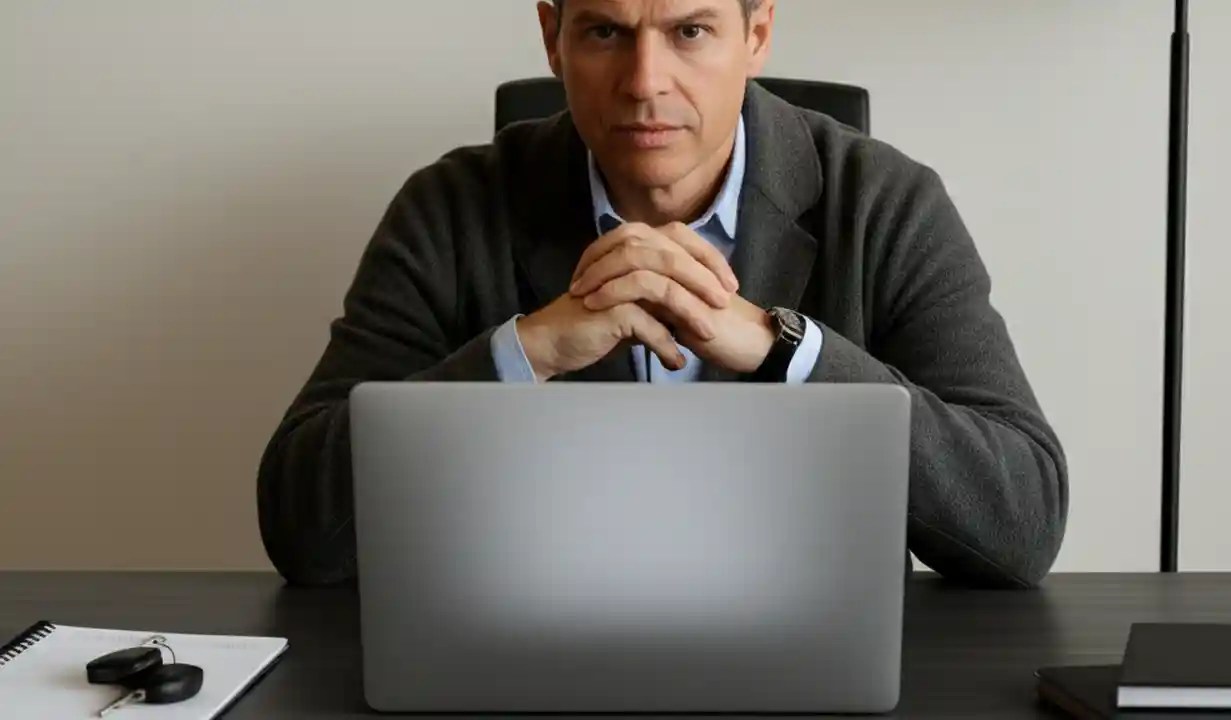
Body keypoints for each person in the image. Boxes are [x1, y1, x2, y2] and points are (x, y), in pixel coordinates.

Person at [257, 0, 1068, 589]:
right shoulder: (451, 206)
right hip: (522, 675)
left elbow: (1020, 522)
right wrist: (523, 353)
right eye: (606, 32)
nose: (645, 82)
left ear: (755, 35)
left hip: (804, 681)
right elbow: (302, 529)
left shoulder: (886, 200)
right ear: (553, 38)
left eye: (690, 31)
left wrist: (786, 349)